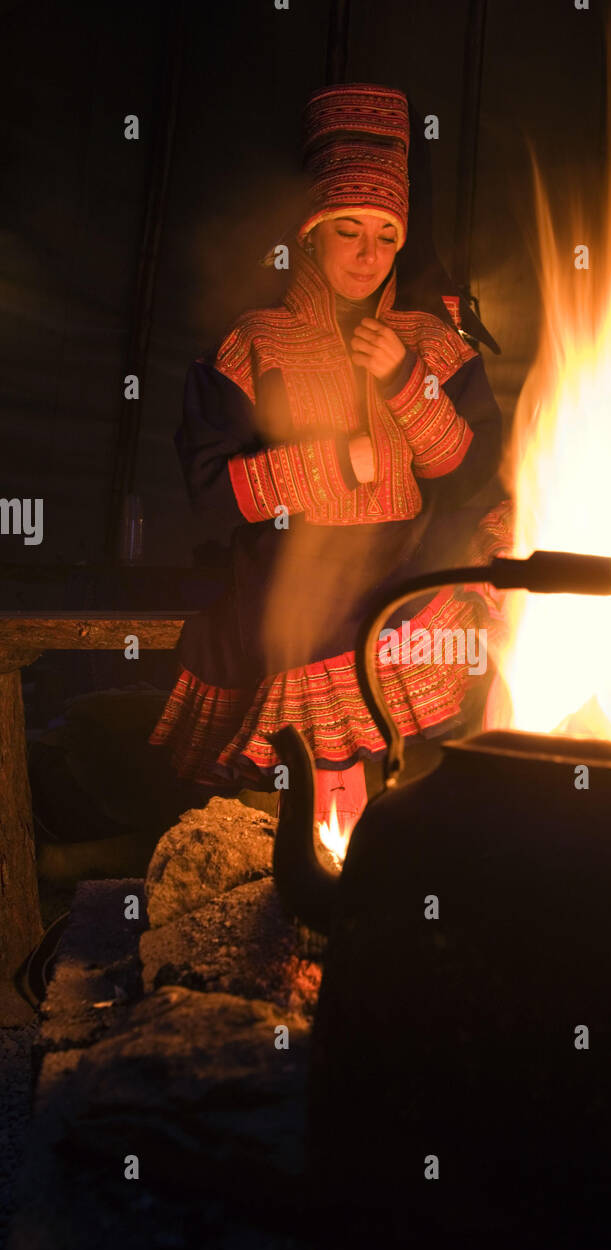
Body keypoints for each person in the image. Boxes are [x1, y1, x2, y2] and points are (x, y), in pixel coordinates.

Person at [149, 83, 511, 829]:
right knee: (295, 813)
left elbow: (475, 475)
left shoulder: (434, 343)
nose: (368, 255)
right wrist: (327, 469)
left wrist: (406, 384)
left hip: (406, 587)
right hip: (295, 592)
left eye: (386, 236)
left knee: (412, 806)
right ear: (309, 232)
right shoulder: (254, 342)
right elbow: (210, 495)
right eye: (348, 230)